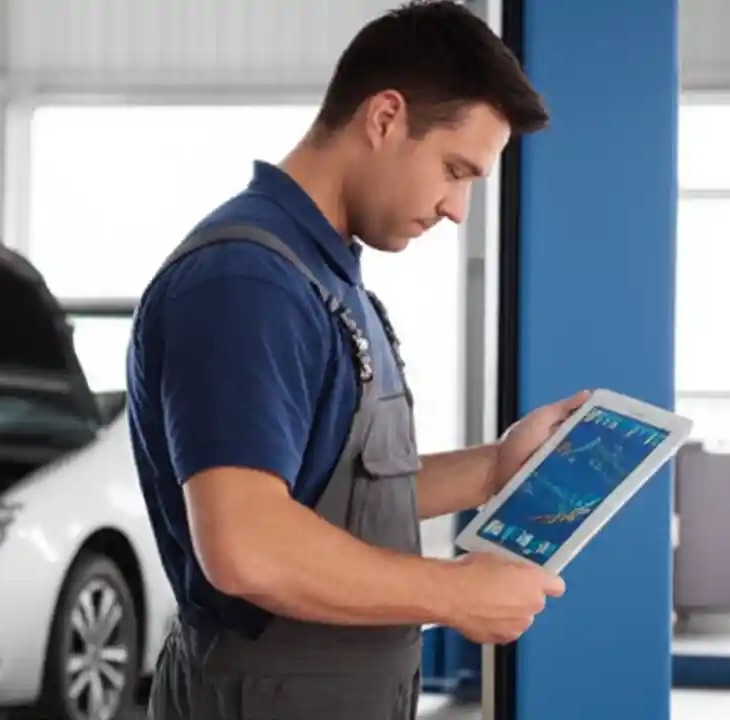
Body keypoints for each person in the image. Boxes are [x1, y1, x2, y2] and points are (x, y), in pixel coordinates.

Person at [125, 2, 587, 718]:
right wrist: (455, 591)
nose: (458, 209)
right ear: (384, 118)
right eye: (455, 170)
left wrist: (496, 468)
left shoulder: (324, 273)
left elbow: (329, 500)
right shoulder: (246, 284)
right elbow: (246, 544)